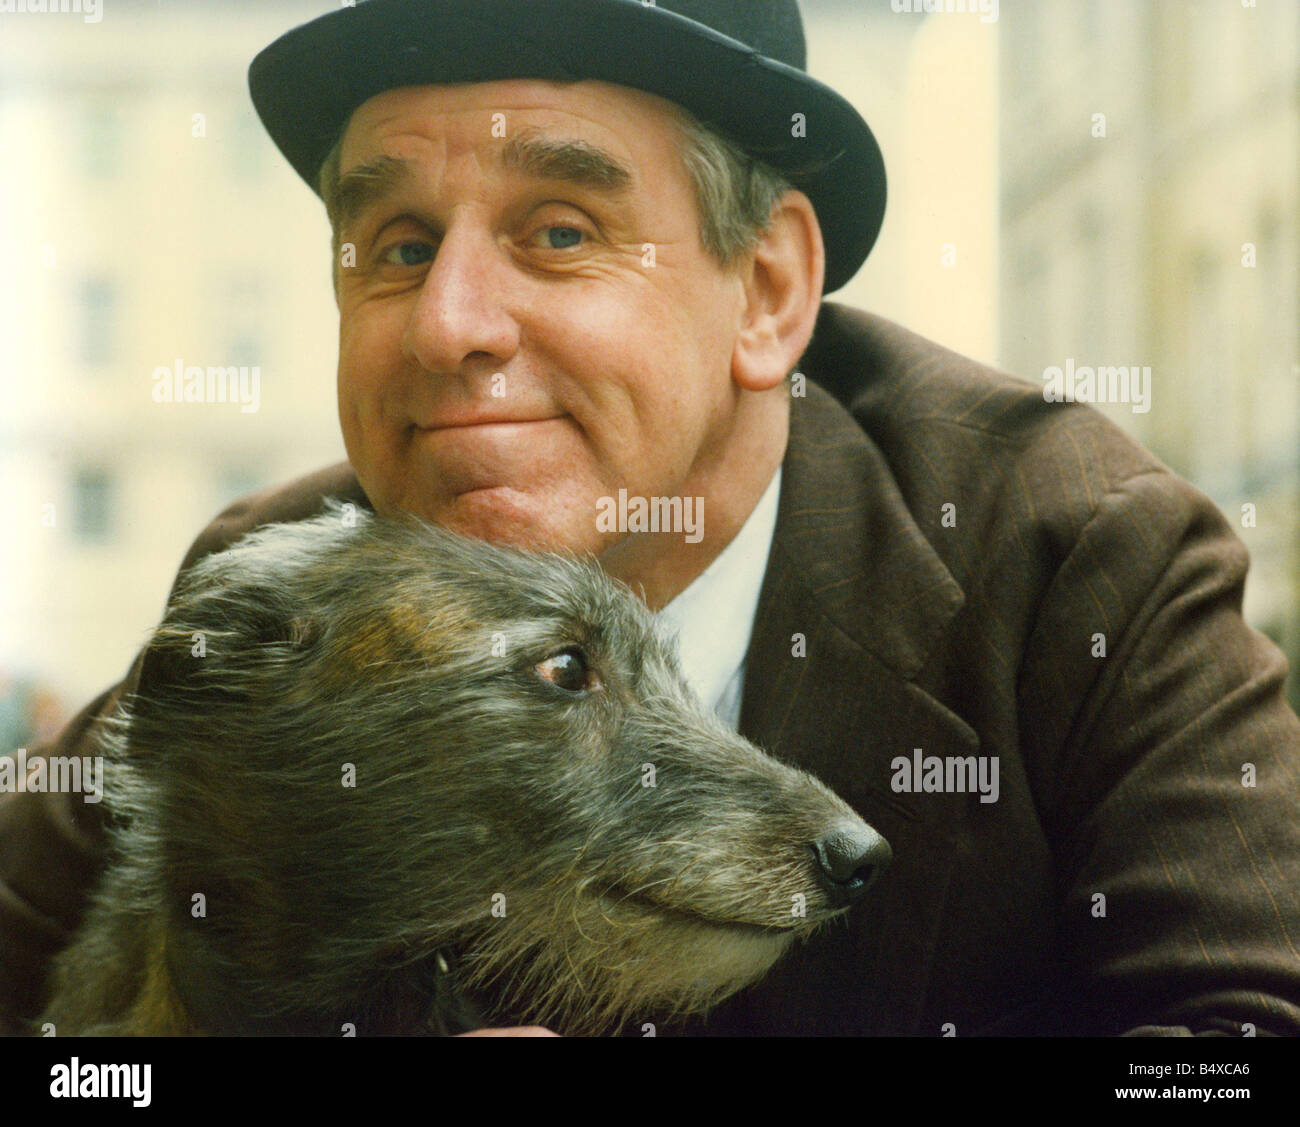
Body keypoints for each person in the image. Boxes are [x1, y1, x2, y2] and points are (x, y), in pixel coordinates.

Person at [3, 0, 1298, 1037]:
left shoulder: (1079, 553)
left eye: (559, 229)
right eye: (395, 245)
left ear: (769, 291)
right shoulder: (296, 598)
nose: (450, 324)